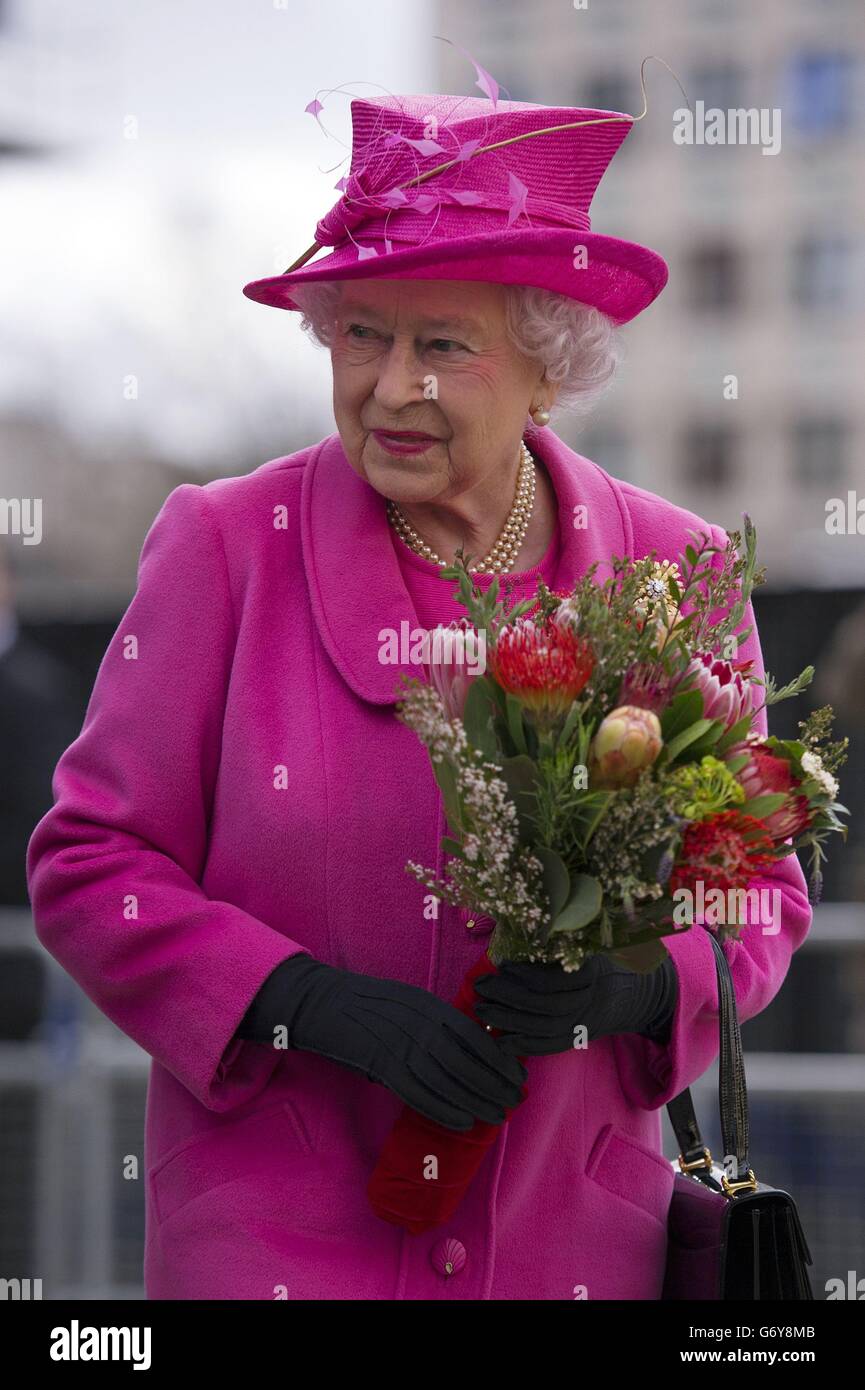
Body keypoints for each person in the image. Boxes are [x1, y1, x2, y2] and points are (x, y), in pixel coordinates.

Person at [26, 92, 813, 1301]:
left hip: (570, 1242)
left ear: (546, 366)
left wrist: (644, 981)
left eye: (442, 344)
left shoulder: (673, 573)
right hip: (276, 1237)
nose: (390, 387)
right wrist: (304, 1003)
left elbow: (754, 894)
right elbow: (91, 863)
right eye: (359, 337)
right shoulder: (226, 548)